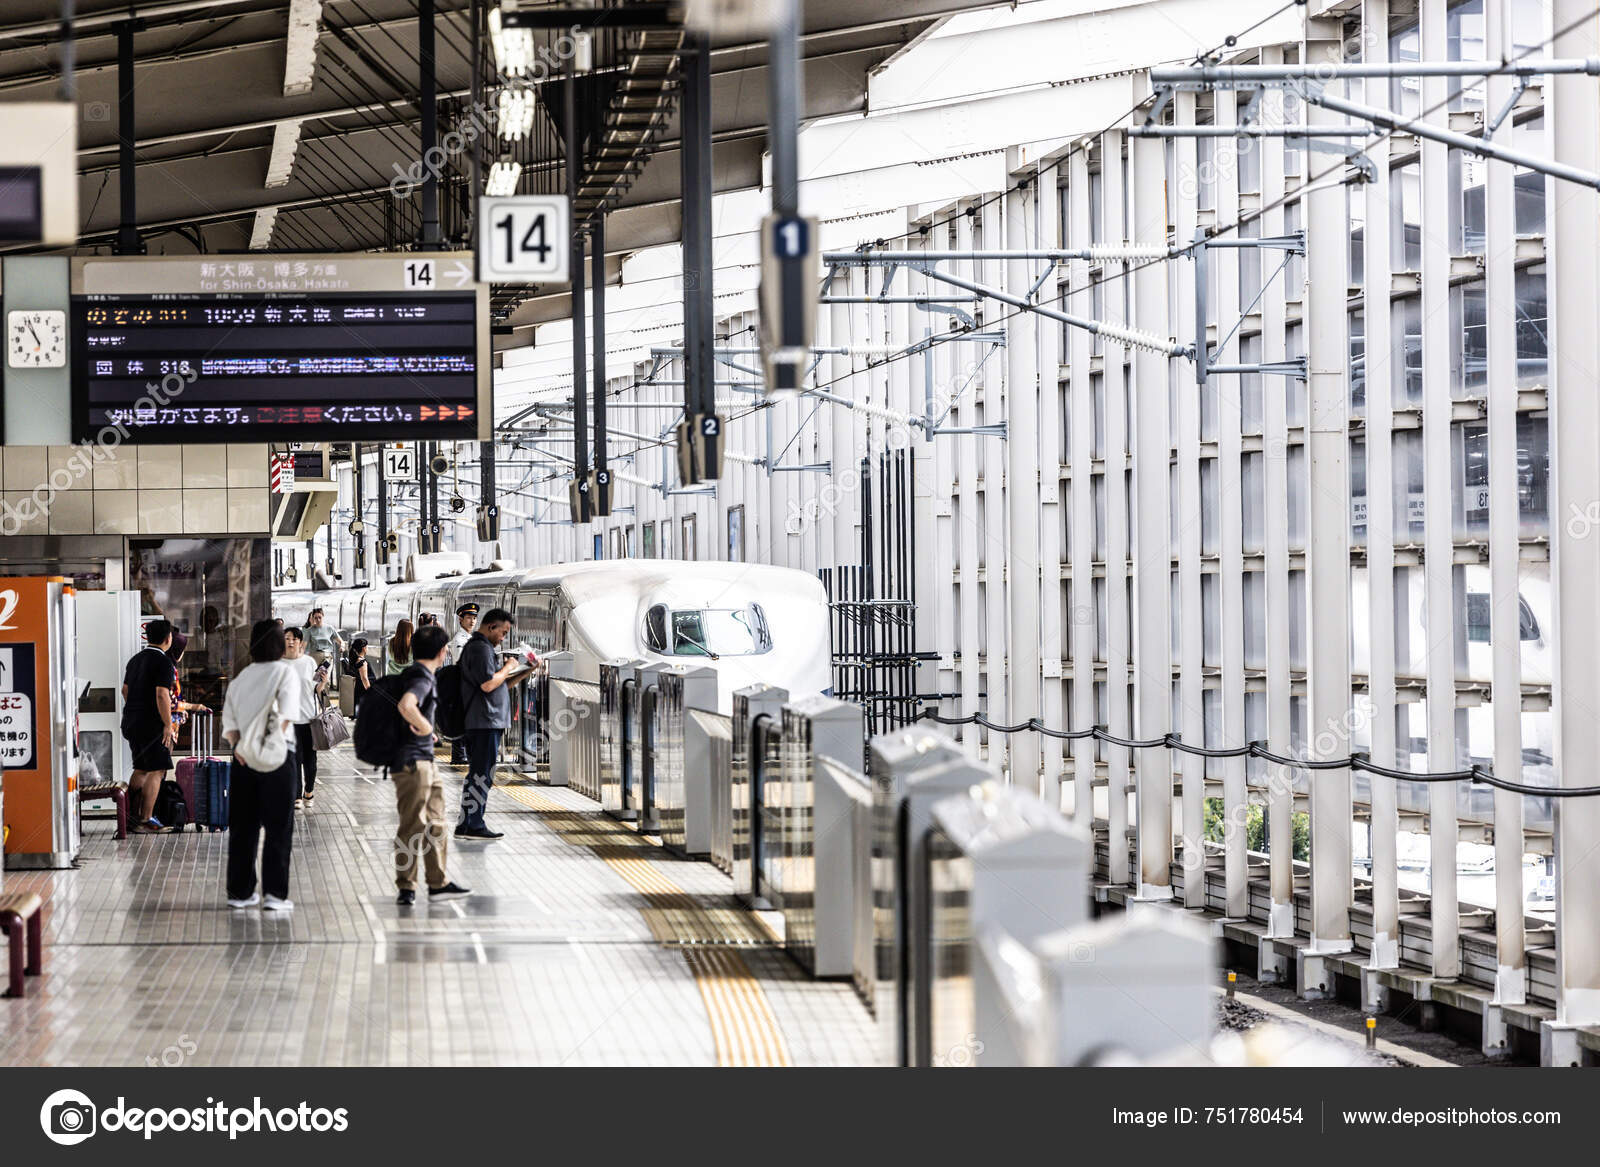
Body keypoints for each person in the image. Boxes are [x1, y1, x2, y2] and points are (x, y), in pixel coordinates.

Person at [389, 622, 471, 907]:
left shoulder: (419, 674)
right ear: (439, 651)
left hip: (425, 759)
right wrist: (425, 727)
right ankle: (407, 887)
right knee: (413, 825)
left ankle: (438, 883)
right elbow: (406, 706)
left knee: (437, 822)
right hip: (413, 763)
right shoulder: (421, 678)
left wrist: (428, 732)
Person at [221, 620, 300, 911]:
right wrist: (267, 747)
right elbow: (285, 717)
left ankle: (240, 893)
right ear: (280, 644)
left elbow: (229, 725)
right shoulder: (285, 674)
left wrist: (242, 749)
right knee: (279, 827)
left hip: (243, 760)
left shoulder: (239, 680)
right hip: (278, 760)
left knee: (243, 826)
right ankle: (275, 896)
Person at [456, 607, 525, 840]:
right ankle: (474, 824)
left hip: (485, 720)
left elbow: (498, 684)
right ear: (491, 627)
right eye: (503, 632)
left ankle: (467, 822)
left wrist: (524, 672)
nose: (503, 638)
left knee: (478, 772)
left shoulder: (482, 649)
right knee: (481, 774)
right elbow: (487, 684)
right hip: (483, 721)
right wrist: (508, 667)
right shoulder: (480, 649)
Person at [122, 619, 179, 833]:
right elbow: (162, 694)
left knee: (141, 768)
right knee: (158, 769)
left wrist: (137, 709)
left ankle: (130, 818)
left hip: (131, 722)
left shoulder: (135, 660)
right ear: (168, 639)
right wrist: (167, 725)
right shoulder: (164, 663)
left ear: (147, 637)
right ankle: (145, 819)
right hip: (152, 725)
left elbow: (125, 690)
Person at [283, 627, 326, 809]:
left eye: (294, 639)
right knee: (294, 761)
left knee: (311, 763)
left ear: (300, 642)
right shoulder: (279, 663)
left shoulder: (309, 662)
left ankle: (309, 790)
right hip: (289, 721)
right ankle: (296, 797)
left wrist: (323, 682)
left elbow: (316, 689)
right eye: (287, 639)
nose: (290, 642)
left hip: (309, 719)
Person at [448, 603, 479, 764]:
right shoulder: (460, 640)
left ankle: (462, 753)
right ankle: (459, 755)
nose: (472, 621)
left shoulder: (470, 638)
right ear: (460, 619)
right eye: (468, 618)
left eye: (474, 618)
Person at [303, 608, 343, 678]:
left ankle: (323, 688)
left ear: (323, 616)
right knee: (316, 679)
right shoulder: (310, 630)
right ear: (313, 618)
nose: (318, 620)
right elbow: (304, 645)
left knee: (324, 678)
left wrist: (342, 646)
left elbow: (340, 641)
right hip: (314, 656)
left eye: (319, 617)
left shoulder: (329, 628)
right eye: (315, 618)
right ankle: (318, 688)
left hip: (327, 657)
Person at [346, 637, 373, 715]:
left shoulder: (355, 659)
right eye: (367, 647)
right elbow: (364, 678)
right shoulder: (362, 662)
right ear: (364, 648)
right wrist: (370, 692)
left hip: (358, 689)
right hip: (364, 690)